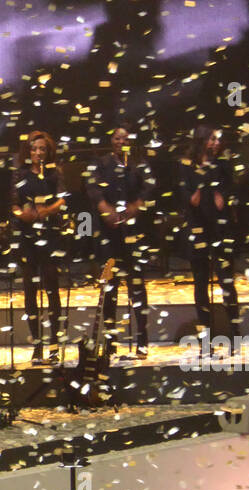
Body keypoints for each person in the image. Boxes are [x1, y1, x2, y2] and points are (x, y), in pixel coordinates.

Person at [88, 127, 151, 362]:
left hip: (133, 231)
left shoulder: (138, 164)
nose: (121, 141)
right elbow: (93, 189)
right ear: (111, 140)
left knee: (137, 285)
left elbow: (148, 188)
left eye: (125, 137)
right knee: (110, 286)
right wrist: (107, 211)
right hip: (110, 231)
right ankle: (111, 340)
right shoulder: (101, 164)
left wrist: (133, 209)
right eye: (117, 137)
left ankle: (142, 340)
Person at [178, 125, 239, 339]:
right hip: (198, 228)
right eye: (212, 139)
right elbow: (186, 195)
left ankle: (234, 332)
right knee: (201, 282)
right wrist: (197, 190)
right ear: (202, 140)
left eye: (217, 140)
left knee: (226, 280)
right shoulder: (187, 165)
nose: (215, 143)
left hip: (219, 228)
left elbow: (230, 188)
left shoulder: (221, 164)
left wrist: (221, 194)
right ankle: (205, 333)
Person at [12, 130, 67, 365]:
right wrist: (22, 214)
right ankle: (36, 345)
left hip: (50, 234)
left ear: (48, 151)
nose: (38, 153)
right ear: (28, 151)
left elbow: (63, 198)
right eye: (34, 149)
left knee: (51, 287)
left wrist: (48, 210)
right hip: (27, 236)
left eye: (42, 149)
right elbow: (13, 204)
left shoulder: (55, 174)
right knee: (30, 290)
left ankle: (54, 344)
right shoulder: (20, 174)